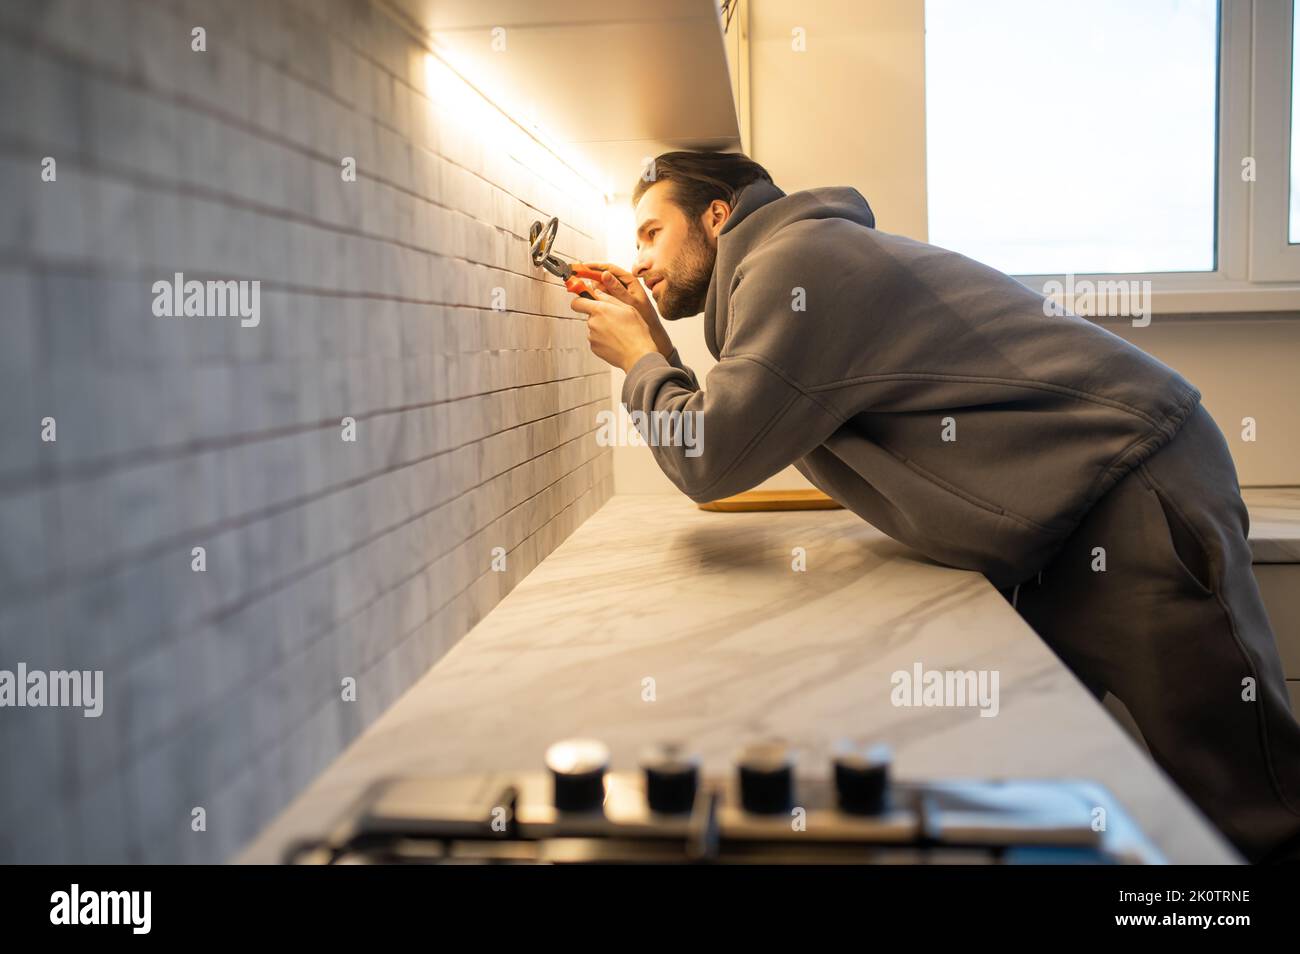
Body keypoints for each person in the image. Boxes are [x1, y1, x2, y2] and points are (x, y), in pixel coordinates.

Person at [569, 150, 1300, 864]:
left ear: (717, 216)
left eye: (650, 233)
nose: (638, 260)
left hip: (1136, 485)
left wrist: (640, 360)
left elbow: (709, 455)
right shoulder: (792, 265)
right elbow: (736, 420)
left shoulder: (797, 263)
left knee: (1248, 801)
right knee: (1040, 773)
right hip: (1078, 516)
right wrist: (656, 348)